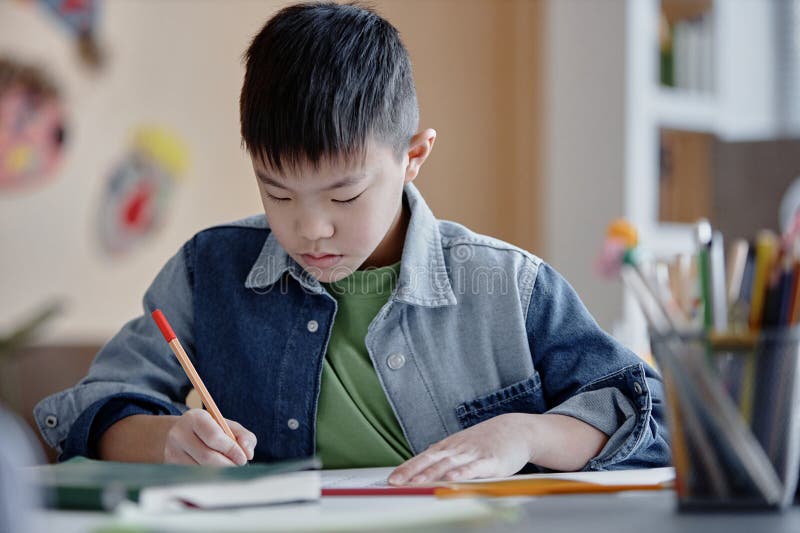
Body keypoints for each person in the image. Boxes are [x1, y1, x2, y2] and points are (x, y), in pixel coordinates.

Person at [35, 2, 669, 484]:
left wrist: (524, 436)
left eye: (344, 197)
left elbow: (643, 414)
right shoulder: (211, 271)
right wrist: (167, 438)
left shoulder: (506, 285)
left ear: (414, 156)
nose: (311, 229)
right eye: (277, 193)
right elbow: (92, 411)